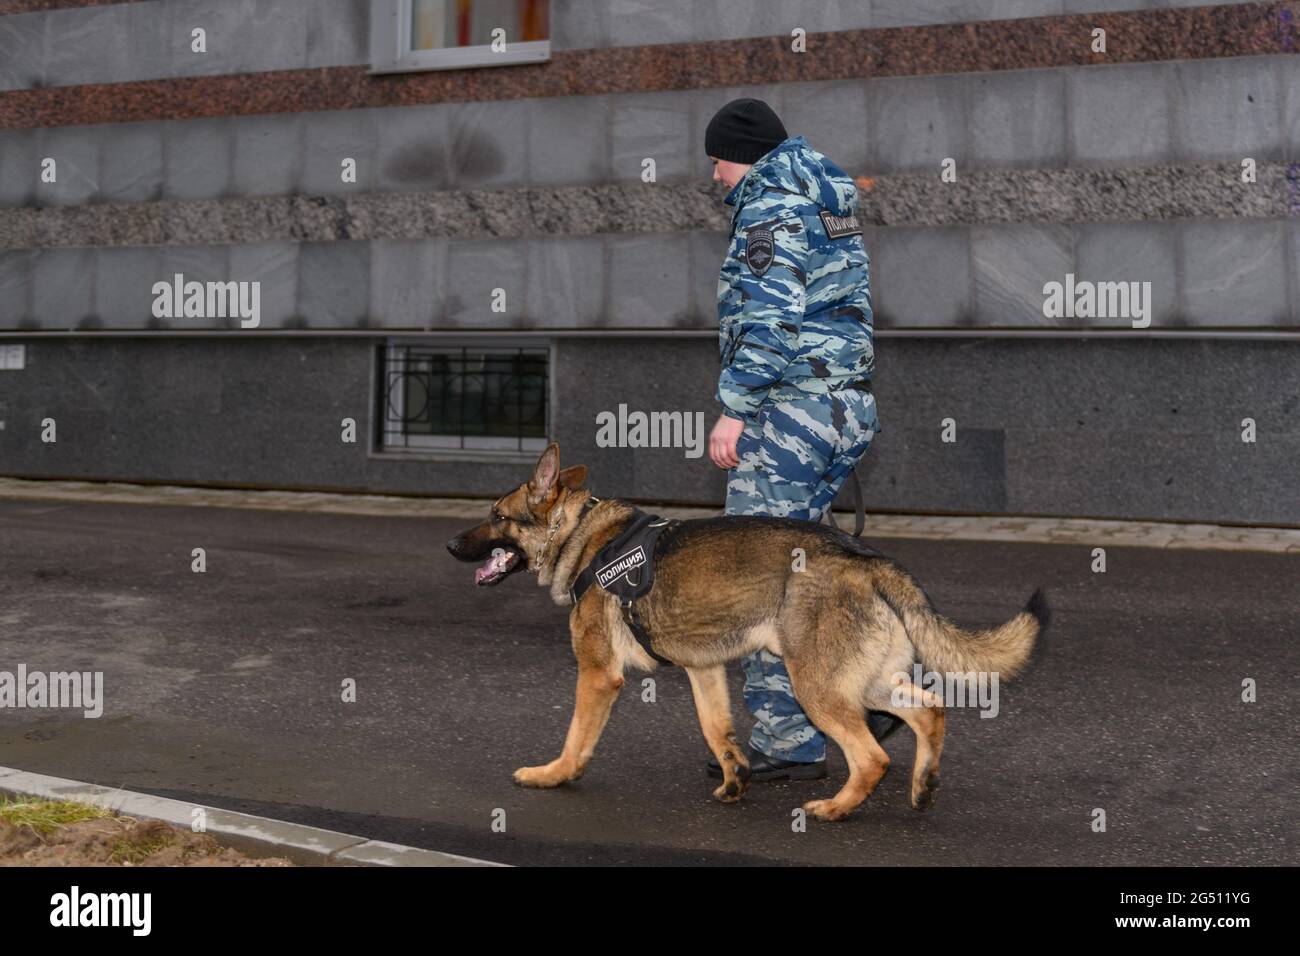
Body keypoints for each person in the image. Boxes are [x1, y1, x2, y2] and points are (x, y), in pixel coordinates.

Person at [703, 97, 904, 782]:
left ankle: (789, 739)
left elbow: (771, 321)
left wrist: (734, 409)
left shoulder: (772, 207)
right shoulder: (825, 197)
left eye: (720, 160)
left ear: (746, 154)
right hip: (842, 409)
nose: (717, 175)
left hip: (790, 415)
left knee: (763, 579)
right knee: (812, 571)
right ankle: (872, 691)